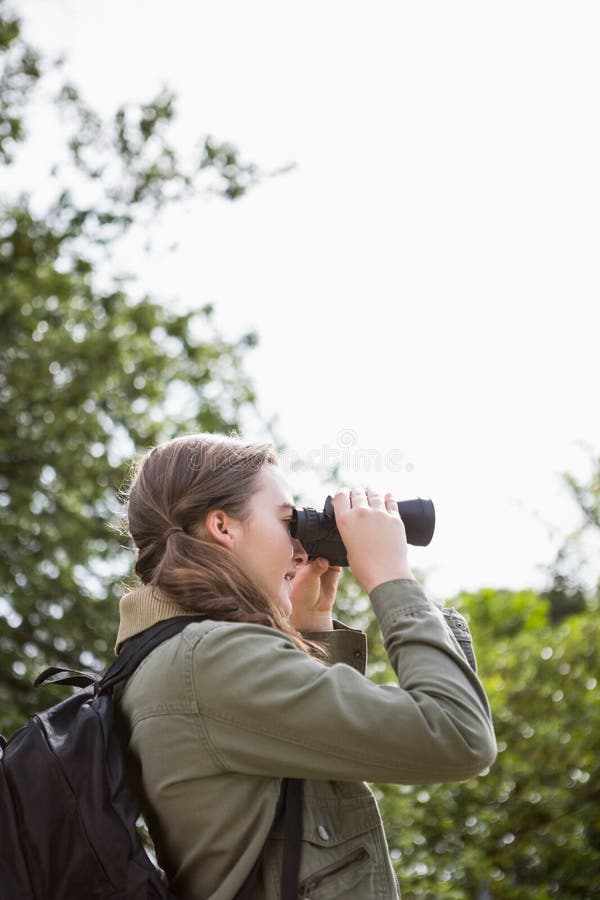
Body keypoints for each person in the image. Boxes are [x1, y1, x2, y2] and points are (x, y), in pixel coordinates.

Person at [114, 432, 496, 900]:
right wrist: (392, 578)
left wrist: (310, 636)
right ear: (223, 527)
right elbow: (457, 734)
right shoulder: (210, 659)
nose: (299, 549)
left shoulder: (173, 653)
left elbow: (293, 796)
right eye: (286, 521)